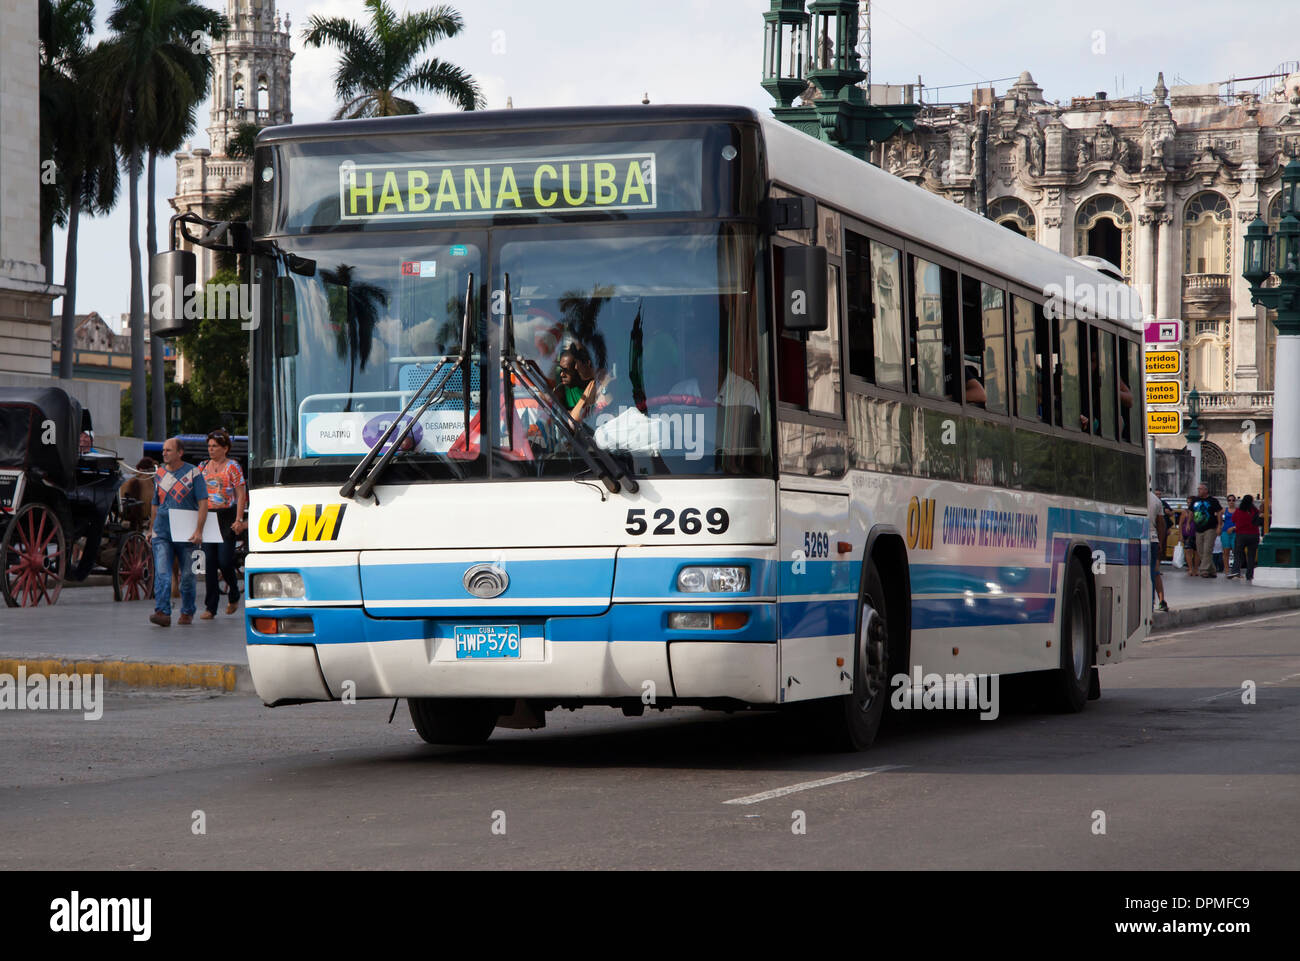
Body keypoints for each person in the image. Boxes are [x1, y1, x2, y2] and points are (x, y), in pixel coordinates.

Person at [147, 436, 207, 627]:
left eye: (168, 450)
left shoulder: (193, 473)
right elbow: (155, 504)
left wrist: (199, 530)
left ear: (180, 453)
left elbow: (203, 503)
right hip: (162, 532)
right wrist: (151, 529)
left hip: (187, 533)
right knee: (163, 572)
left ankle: (188, 610)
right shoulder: (160, 474)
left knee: (188, 576)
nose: (164, 453)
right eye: (163, 450)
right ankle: (162, 612)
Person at [199, 429, 246, 619]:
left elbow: (241, 493)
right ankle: (211, 607)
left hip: (226, 516)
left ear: (225, 448)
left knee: (224, 560)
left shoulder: (232, 466)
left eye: (215, 446)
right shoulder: (202, 467)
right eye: (209, 446)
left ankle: (233, 592)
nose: (211, 450)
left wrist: (238, 519)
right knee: (209, 563)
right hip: (208, 516)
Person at [1190, 482, 1223, 578]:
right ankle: (1212, 570)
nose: (1199, 491)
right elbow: (1191, 512)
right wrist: (1188, 523)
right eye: (1198, 489)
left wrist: (1219, 526)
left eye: (1200, 489)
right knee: (1200, 550)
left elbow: (1219, 512)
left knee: (1207, 549)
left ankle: (1204, 570)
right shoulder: (1195, 500)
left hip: (1210, 528)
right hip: (1198, 528)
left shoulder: (1213, 501)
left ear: (1206, 490)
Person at [1232, 494, 1263, 582]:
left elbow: (1233, 520)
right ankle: (1249, 575)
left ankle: (1236, 572)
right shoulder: (1254, 511)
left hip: (1241, 535)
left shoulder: (1239, 511)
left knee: (1238, 554)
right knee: (1251, 556)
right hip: (1253, 535)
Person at [1148, 487, 1169, 612]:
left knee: (1149, 573)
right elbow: (1161, 523)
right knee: (1154, 571)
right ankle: (1161, 600)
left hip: (1141, 539)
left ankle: (1149, 602)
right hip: (1153, 539)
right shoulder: (1156, 500)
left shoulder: (1136, 498)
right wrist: (1161, 542)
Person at [1180, 497, 1199, 575]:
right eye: (1187, 502)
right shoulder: (1185, 512)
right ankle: (1190, 568)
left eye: (1190, 502)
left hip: (1197, 534)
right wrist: (1180, 535)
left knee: (1197, 552)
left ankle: (1196, 569)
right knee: (1188, 551)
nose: (1189, 504)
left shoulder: (1198, 512)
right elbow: (1180, 524)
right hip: (1187, 534)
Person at [1222, 494, 1239, 577]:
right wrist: (1219, 526)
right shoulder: (1224, 510)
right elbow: (1219, 517)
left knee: (1235, 551)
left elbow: (1240, 521)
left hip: (1235, 532)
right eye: (1229, 500)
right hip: (1225, 532)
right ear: (1227, 502)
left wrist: (1234, 527)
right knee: (1226, 551)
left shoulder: (1238, 511)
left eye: (1233, 500)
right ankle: (1226, 569)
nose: (1231, 502)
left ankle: (1235, 569)